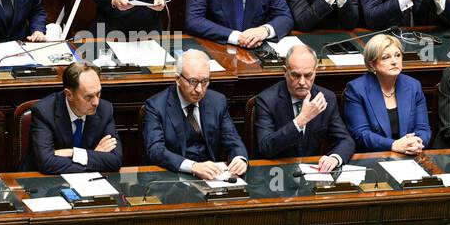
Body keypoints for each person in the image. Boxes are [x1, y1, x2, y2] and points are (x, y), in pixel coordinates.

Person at [141, 49, 247, 179]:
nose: (199, 90)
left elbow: (232, 139)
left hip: (213, 176)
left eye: (205, 81)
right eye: (193, 81)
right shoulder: (156, 106)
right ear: (177, 79)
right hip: (172, 178)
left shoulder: (217, 101)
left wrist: (240, 158)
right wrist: (193, 167)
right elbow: (156, 150)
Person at [252, 45, 354, 171]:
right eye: (295, 75)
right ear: (285, 72)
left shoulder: (326, 98)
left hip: (312, 171)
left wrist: (334, 158)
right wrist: (301, 120)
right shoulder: (267, 100)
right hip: (276, 172)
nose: (302, 82)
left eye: (308, 75)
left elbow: (345, 140)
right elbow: (265, 148)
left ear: (315, 72)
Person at [27, 62, 122, 174]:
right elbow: (46, 163)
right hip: (44, 183)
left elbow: (115, 160)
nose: (96, 102)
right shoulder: (44, 112)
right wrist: (94, 157)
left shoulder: (105, 109)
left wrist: (74, 153)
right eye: (89, 97)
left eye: (98, 94)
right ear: (69, 95)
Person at [343, 34, 431, 154]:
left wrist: (417, 143)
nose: (394, 61)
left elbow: (423, 128)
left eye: (398, 55)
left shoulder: (413, 86)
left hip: (409, 154)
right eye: (386, 57)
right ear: (372, 64)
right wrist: (394, 145)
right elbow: (361, 134)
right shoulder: (356, 89)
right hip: (373, 156)